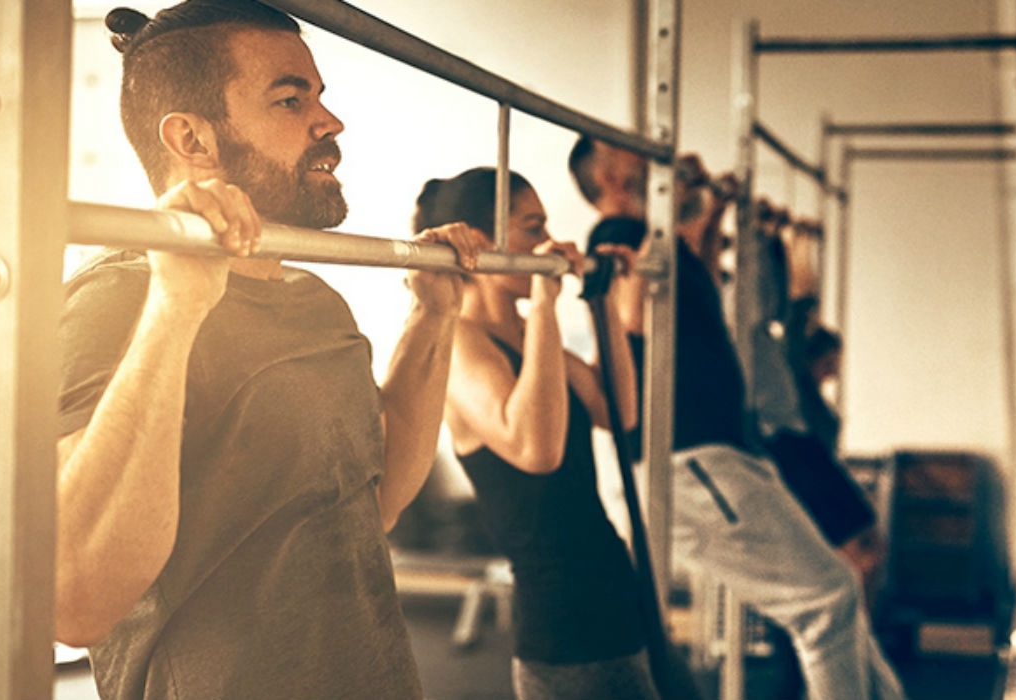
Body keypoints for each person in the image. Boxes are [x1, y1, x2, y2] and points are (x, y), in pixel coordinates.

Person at [54, 3, 487, 698]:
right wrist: (176, 306)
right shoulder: (111, 300)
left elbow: (378, 502)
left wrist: (433, 316)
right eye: (291, 100)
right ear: (192, 138)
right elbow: (75, 601)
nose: (330, 122)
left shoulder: (315, 301)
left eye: (318, 97)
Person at [570, 136, 906, 700]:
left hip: (724, 452)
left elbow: (700, 277)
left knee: (840, 591)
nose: (648, 153)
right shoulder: (617, 231)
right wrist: (664, 221)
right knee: (824, 603)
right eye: (629, 153)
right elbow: (631, 319)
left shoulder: (657, 236)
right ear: (606, 177)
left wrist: (711, 210)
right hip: (690, 460)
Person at [420, 167, 659, 700]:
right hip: (562, 619)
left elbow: (618, 413)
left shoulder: (530, 335)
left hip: (617, 593)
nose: (549, 241)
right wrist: (547, 302)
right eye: (533, 228)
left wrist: (602, 299)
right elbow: (536, 448)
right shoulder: (460, 344)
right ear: (482, 242)